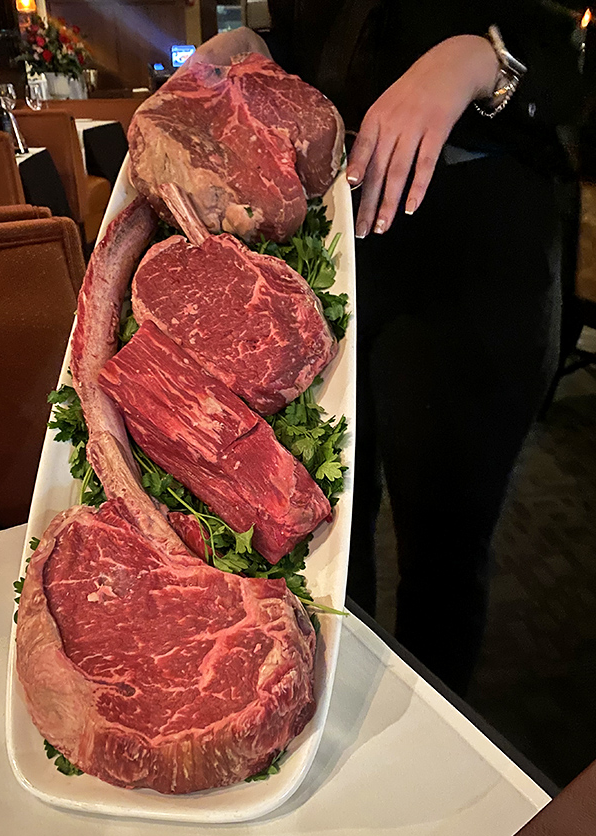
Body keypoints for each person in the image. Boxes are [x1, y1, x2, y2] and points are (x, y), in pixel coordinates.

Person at [178, 4, 583, 696]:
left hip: (475, 241)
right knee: (326, 523)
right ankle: (330, 712)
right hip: (336, 226)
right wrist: (259, 46)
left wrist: (479, 58)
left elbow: (575, 61)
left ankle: (431, 733)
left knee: (445, 550)